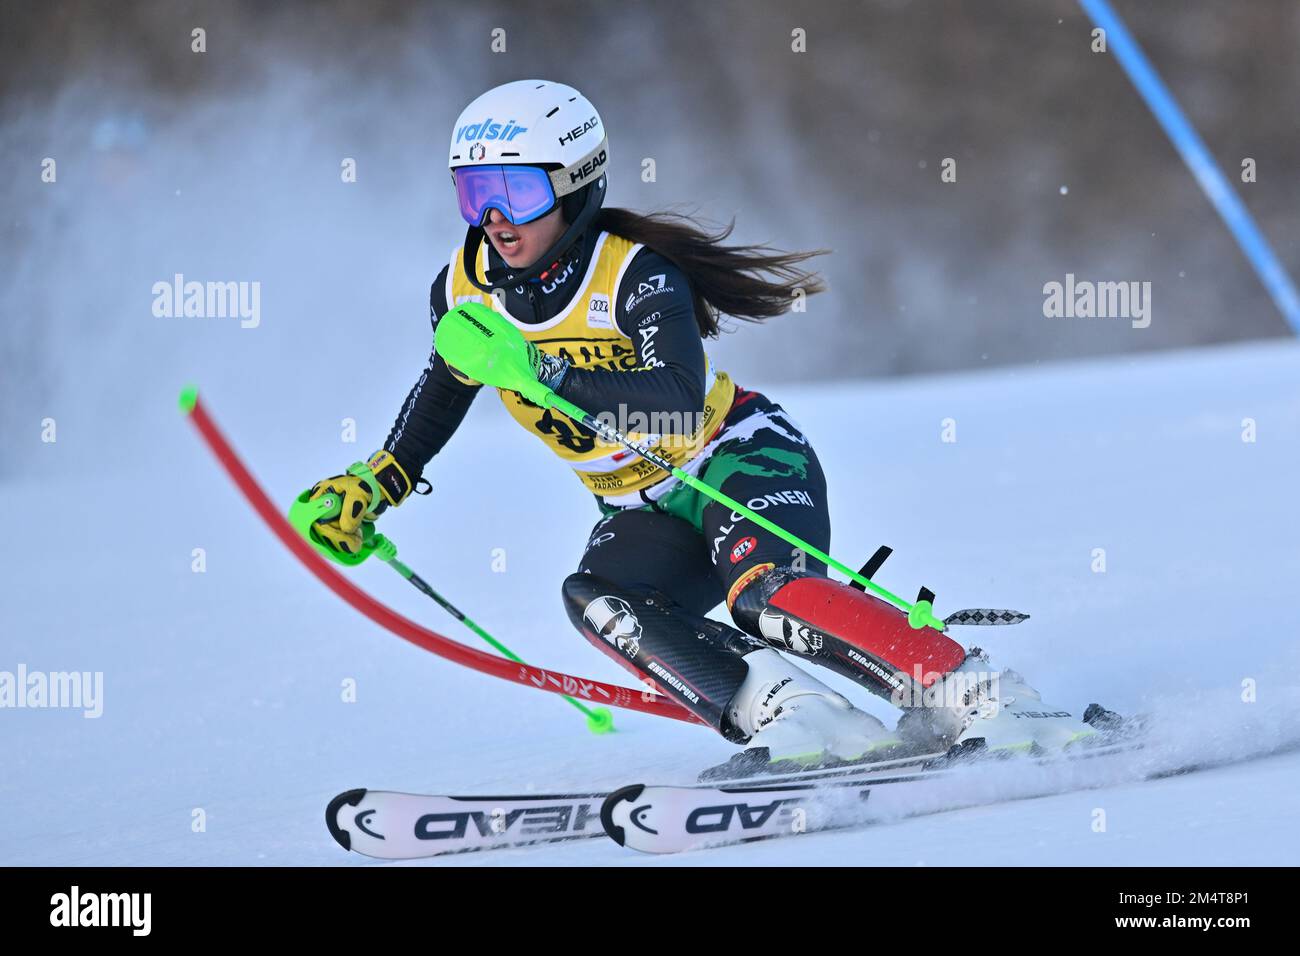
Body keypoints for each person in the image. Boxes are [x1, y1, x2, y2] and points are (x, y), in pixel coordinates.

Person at [303, 79, 1100, 775]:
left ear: (574, 187)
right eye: (474, 193)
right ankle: (806, 720)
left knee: (767, 595)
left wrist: (545, 371)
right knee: (599, 600)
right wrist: (380, 481)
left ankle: (990, 699)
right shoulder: (463, 289)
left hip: (735, 457)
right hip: (638, 501)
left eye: (516, 192)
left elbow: (678, 403)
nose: (495, 220)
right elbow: (445, 387)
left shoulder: (635, 274)